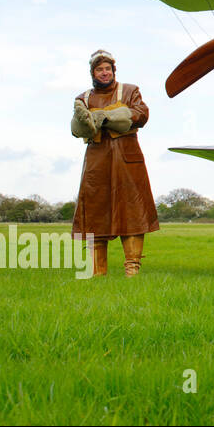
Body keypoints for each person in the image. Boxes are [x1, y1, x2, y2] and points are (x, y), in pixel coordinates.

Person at [70, 50, 159, 276]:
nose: (104, 73)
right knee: (95, 212)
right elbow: (74, 129)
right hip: (96, 160)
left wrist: (110, 117)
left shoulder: (129, 90)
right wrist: (86, 122)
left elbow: (142, 114)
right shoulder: (83, 98)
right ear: (93, 72)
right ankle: (97, 272)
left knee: (132, 210)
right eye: (99, 69)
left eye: (107, 69)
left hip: (126, 157)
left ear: (113, 70)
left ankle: (132, 268)